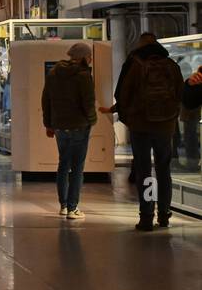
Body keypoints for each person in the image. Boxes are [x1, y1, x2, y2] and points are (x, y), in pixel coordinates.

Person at [100, 33, 184, 231]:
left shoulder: (134, 65)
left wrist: (123, 114)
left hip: (141, 126)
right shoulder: (172, 66)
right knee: (164, 170)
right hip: (165, 126)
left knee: (144, 171)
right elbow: (180, 94)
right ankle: (164, 215)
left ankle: (146, 216)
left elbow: (122, 94)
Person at [41, 42, 97, 219]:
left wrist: (48, 124)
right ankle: (73, 208)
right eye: (89, 56)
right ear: (83, 57)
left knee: (63, 164)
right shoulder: (83, 75)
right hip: (79, 125)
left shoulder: (53, 73)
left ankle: (64, 205)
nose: (90, 59)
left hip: (59, 126)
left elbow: (46, 100)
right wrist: (92, 120)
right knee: (77, 167)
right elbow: (88, 102)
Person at [174, 62, 200, 173]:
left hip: (189, 113)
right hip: (189, 113)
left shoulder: (190, 81)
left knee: (189, 138)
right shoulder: (192, 81)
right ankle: (192, 164)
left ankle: (192, 164)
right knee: (190, 138)